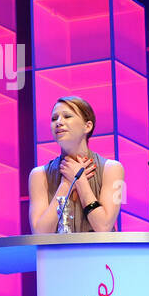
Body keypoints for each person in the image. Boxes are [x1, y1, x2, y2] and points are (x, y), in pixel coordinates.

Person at [28, 95, 125, 233]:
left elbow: (103, 226)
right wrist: (66, 185)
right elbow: (39, 233)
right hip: (57, 254)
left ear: (87, 126)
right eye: (54, 118)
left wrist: (80, 182)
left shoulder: (112, 169)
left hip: (101, 254)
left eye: (67, 116)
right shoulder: (39, 175)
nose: (59, 122)